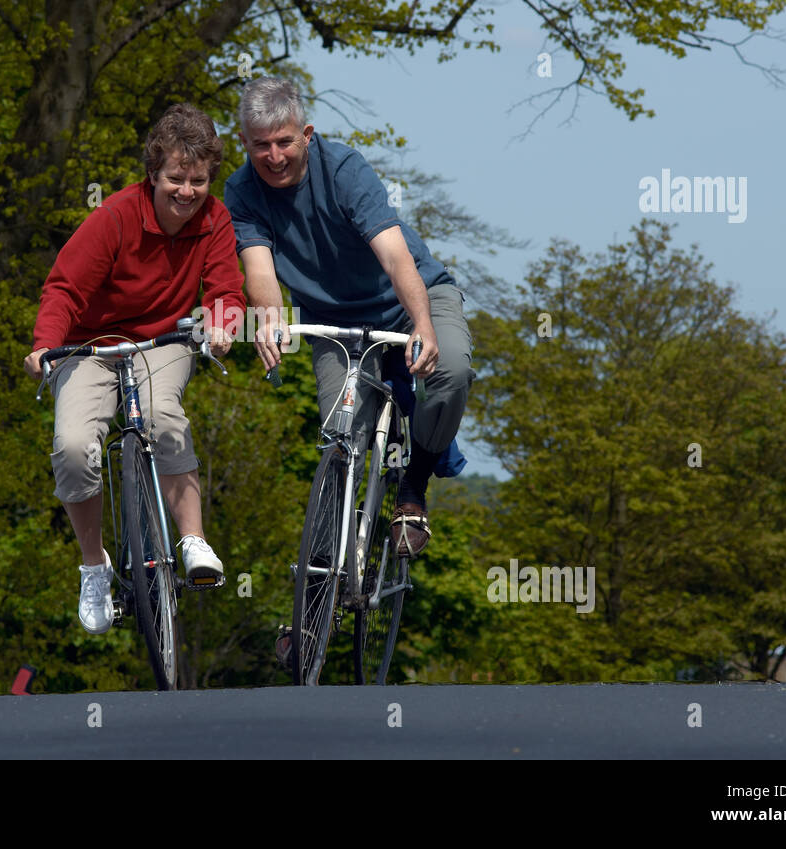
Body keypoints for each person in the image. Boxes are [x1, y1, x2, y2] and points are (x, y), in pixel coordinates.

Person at [224, 77, 474, 561]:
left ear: (307, 135)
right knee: (342, 432)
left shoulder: (343, 170)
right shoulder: (241, 191)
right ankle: (324, 574)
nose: (274, 157)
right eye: (260, 146)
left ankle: (413, 491)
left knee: (452, 370)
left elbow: (395, 258)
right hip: (335, 322)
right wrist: (269, 320)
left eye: (284, 142)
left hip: (412, 297)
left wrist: (422, 324)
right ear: (244, 143)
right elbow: (259, 269)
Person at [25, 104, 245, 634]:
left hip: (162, 340)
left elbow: (225, 289)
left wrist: (221, 325)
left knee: (163, 414)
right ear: (153, 174)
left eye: (198, 181)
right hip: (90, 345)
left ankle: (192, 540)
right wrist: (44, 346)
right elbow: (64, 289)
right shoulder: (116, 216)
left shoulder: (214, 220)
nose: (186, 192)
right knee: (73, 446)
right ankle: (94, 566)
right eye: (175, 179)